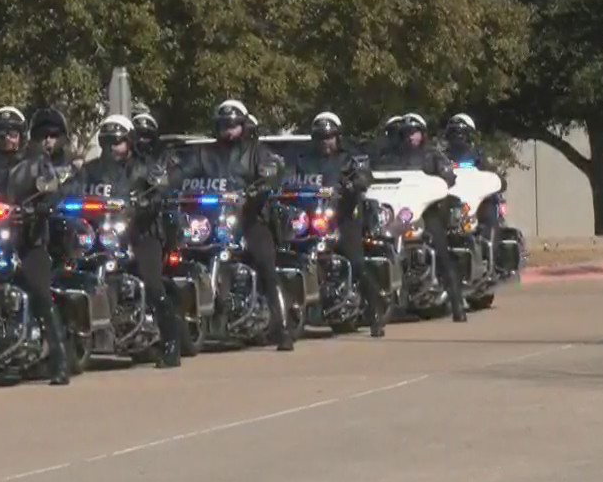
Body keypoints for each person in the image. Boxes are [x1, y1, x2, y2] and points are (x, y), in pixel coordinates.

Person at [175, 98, 294, 351]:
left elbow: (272, 172)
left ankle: (283, 328)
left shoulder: (257, 152)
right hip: (210, 220)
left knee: (266, 263)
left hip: (250, 219)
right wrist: (166, 180)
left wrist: (261, 185)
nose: (228, 131)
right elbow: (181, 172)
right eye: (223, 126)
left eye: (233, 125)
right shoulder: (204, 154)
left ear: (244, 125)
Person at [82, 114, 187, 368]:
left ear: (129, 142)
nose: (113, 147)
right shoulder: (91, 170)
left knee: (152, 282)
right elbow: (72, 189)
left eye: (118, 141)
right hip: (102, 233)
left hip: (142, 232)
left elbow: (163, 187)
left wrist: (150, 200)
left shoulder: (144, 167)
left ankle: (172, 345)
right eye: (107, 142)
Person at [293, 111, 388, 337]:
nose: (325, 142)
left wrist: (355, 184)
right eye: (320, 137)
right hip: (312, 217)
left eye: (329, 137)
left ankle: (375, 311)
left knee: (355, 260)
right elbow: (290, 180)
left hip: (344, 217)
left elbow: (364, 176)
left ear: (338, 137)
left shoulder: (349, 159)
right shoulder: (304, 160)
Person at [5, 107, 81, 386]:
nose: (8, 139)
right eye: (2, 134)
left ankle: (59, 361)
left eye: (12, 134)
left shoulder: (37, 165)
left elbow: (54, 193)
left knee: (40, 291)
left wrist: (41, 208)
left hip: (29, 239)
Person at [377, 113, 468, 323]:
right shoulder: (392, 157)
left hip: (428, 211)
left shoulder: (432, 155)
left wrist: (436, 184)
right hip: (400, 212)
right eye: (407, 133)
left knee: (441, 251)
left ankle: (457, 304)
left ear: (423, 134)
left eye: (415, 132)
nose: (411, 137)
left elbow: (448, 177)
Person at [443, 112, 505, 234]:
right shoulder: (441, 157)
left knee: (489, 207)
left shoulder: (478, 156)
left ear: (469, 135)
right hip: (451, 200)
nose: (458, 137)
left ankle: (489, 242)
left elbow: (492, 174)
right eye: (454, 132)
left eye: (461, 133)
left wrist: (499, 180)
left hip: (477, 200)